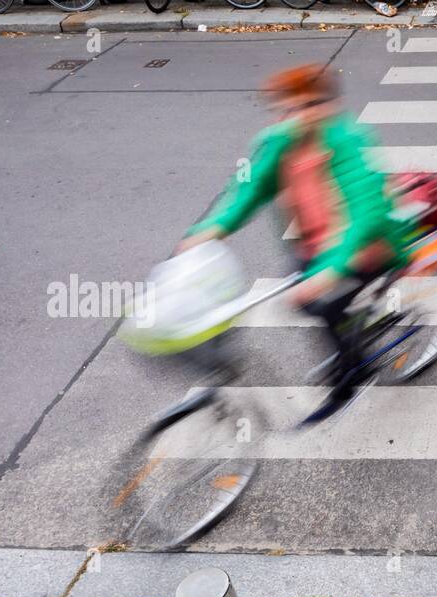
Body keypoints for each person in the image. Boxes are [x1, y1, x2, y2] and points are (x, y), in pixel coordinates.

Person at [175, 64, 411, 421]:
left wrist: (330, 272)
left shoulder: (350, 141)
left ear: (332, 105)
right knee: (306, 300)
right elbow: (248, 192)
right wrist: (209, 231)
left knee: (322, 303)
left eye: (312, 105)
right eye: (290, 108)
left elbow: (367, 213)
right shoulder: (278, 143)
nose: (300, 116)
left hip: (366, 246)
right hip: (316, 247)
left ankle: (354, 372)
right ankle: (350, 334)